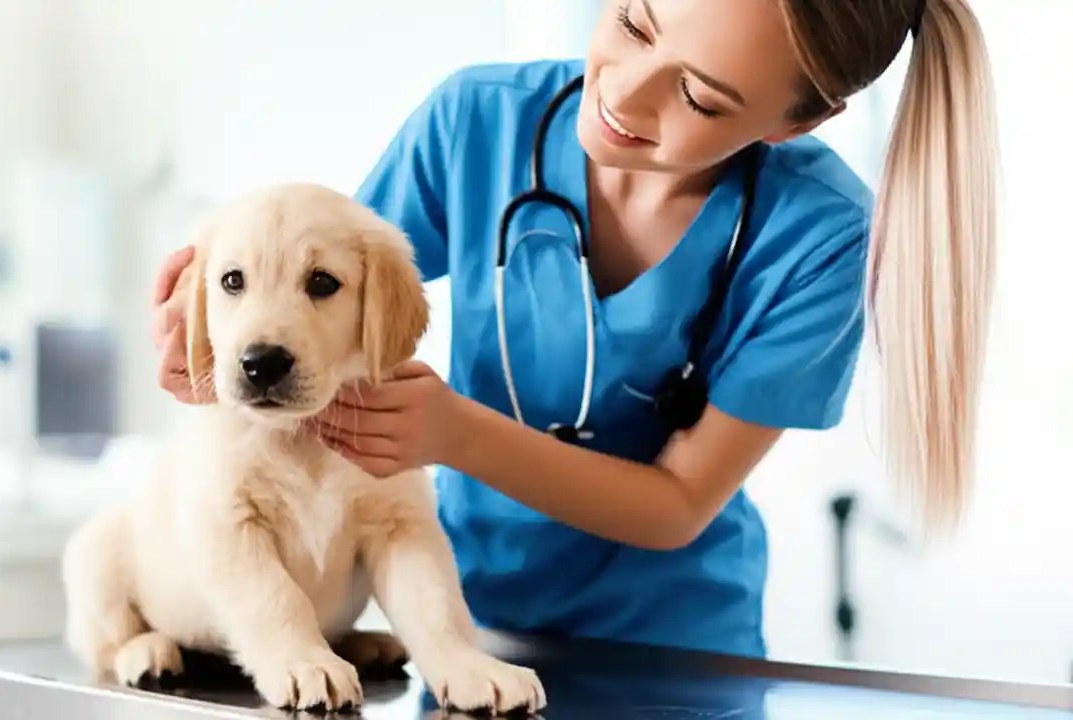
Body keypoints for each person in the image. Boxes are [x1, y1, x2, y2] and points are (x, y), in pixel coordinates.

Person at [151, 0, 997, 659]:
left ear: (793, 124)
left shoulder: (822, 239)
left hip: (675, 654)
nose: (625, 92)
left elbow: (677, 506)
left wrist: (454, 434)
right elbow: (322, 305)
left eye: (699, 95)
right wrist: (216, 344)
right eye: (634, 21)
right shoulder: (476, 123)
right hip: (468, 631)